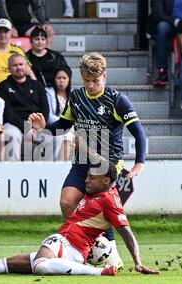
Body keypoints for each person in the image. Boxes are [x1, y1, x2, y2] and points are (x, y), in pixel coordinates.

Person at [0, 162, 160, 277]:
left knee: (39, 266)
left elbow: (126, 231)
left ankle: (100, 272)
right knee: (4, 265)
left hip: (67, 244)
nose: (86, 180)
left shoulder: (109, 200)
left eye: (91, 177)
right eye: (86, 176)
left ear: (107, 181)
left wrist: (137, 262)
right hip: (69, 249)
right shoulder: (98, 195)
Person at [28, 52, 147, 269]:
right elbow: (63, 126)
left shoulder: (117, 100)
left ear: (105, 76)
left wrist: (140, 162)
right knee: (67, 202)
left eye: (95, 81)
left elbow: (139, 133)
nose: (90, 85)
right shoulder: (76, 97)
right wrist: (44, 127)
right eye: (86, 81)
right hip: (82, 161)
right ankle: (84, 246)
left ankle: (110, 252)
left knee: (101, 209)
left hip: (106, 164)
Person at [0, 53, 49, 161]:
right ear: (9, 68)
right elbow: (8, 113)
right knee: (12, 135)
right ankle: (12, 173)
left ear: (26, 66)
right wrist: (26, 128)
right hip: (13, 124)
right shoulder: (3, 86)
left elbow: (44, 109)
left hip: (36, 125)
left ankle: (52, 175)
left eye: (21, 64)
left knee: (56, 136)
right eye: (15, 65)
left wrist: (37, 127)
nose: (18, 67)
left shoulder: (37, 85)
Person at [0, 18, 35, 86]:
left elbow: (29, 73)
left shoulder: (18, 51)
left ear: (11, 32)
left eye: (6, 31)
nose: (3, 35)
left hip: (20, 91)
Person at [150, 0, 182, 87]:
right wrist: (175, 21)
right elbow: (157, 14)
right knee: (162, 27)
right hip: (171, 24)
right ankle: (162, 71)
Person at [45, 65, 74, 160]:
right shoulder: (48, 93)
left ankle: (63, 169)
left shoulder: (74, 95)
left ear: (69, 79)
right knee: (65, 136)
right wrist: (64, 123)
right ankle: (62, 169)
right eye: (58, 78)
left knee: (67, 135)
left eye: (64, 78)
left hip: (71, 129)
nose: (61, 80)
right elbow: (48, 115)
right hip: (53, 127)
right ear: (54, 79)